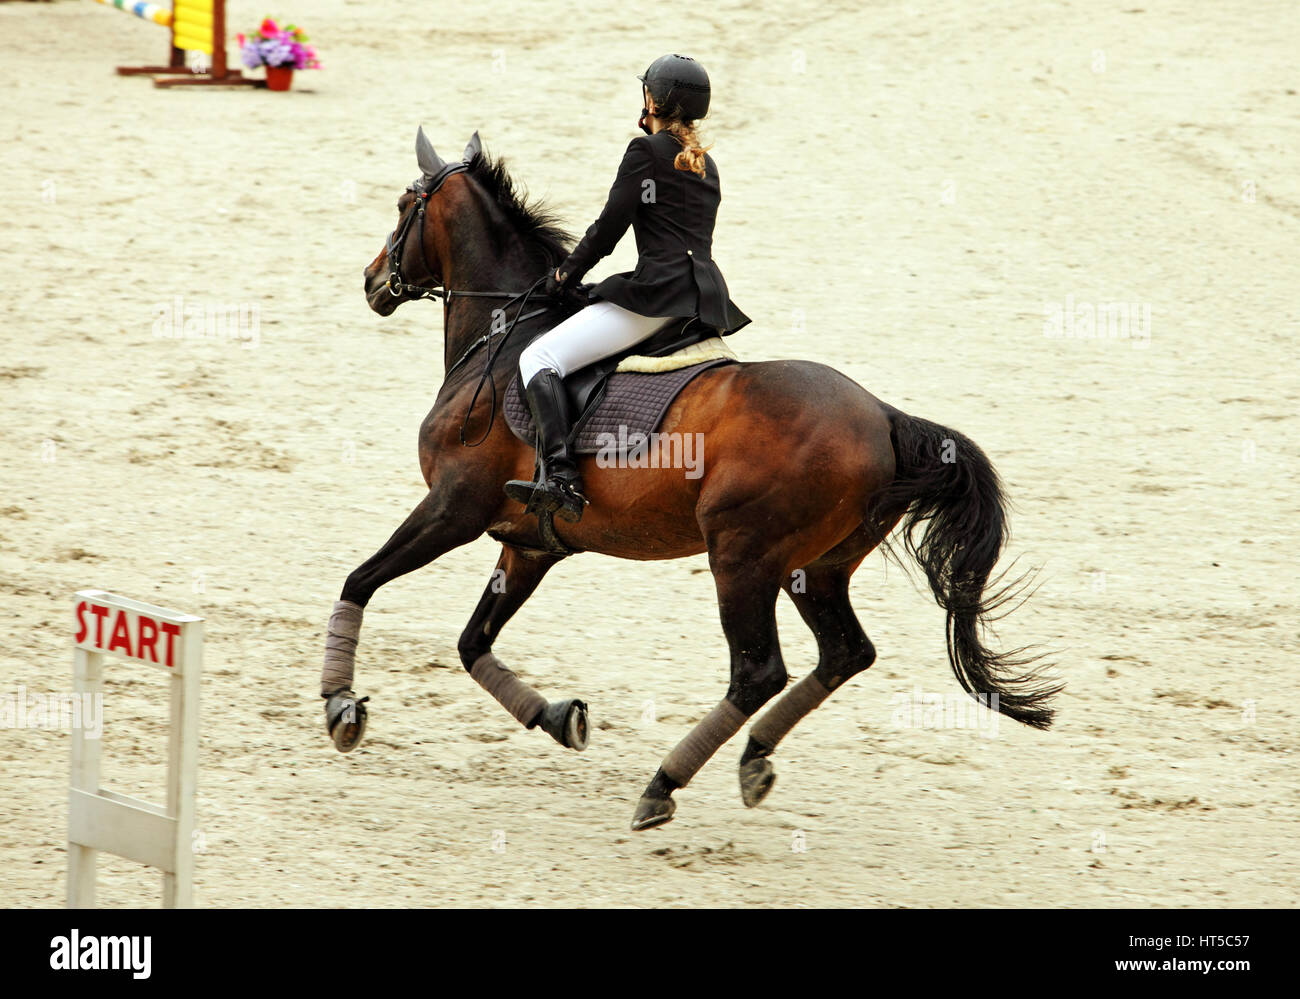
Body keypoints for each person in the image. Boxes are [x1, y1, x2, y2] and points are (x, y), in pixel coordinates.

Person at [504, 53, 751, 524]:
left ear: (652, 100)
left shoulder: (646, 152)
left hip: (657, 295)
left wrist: (566, 275)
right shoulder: (707, 165)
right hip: (700, 299)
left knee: (539, 358)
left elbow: (608, 227)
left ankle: (559, 477)